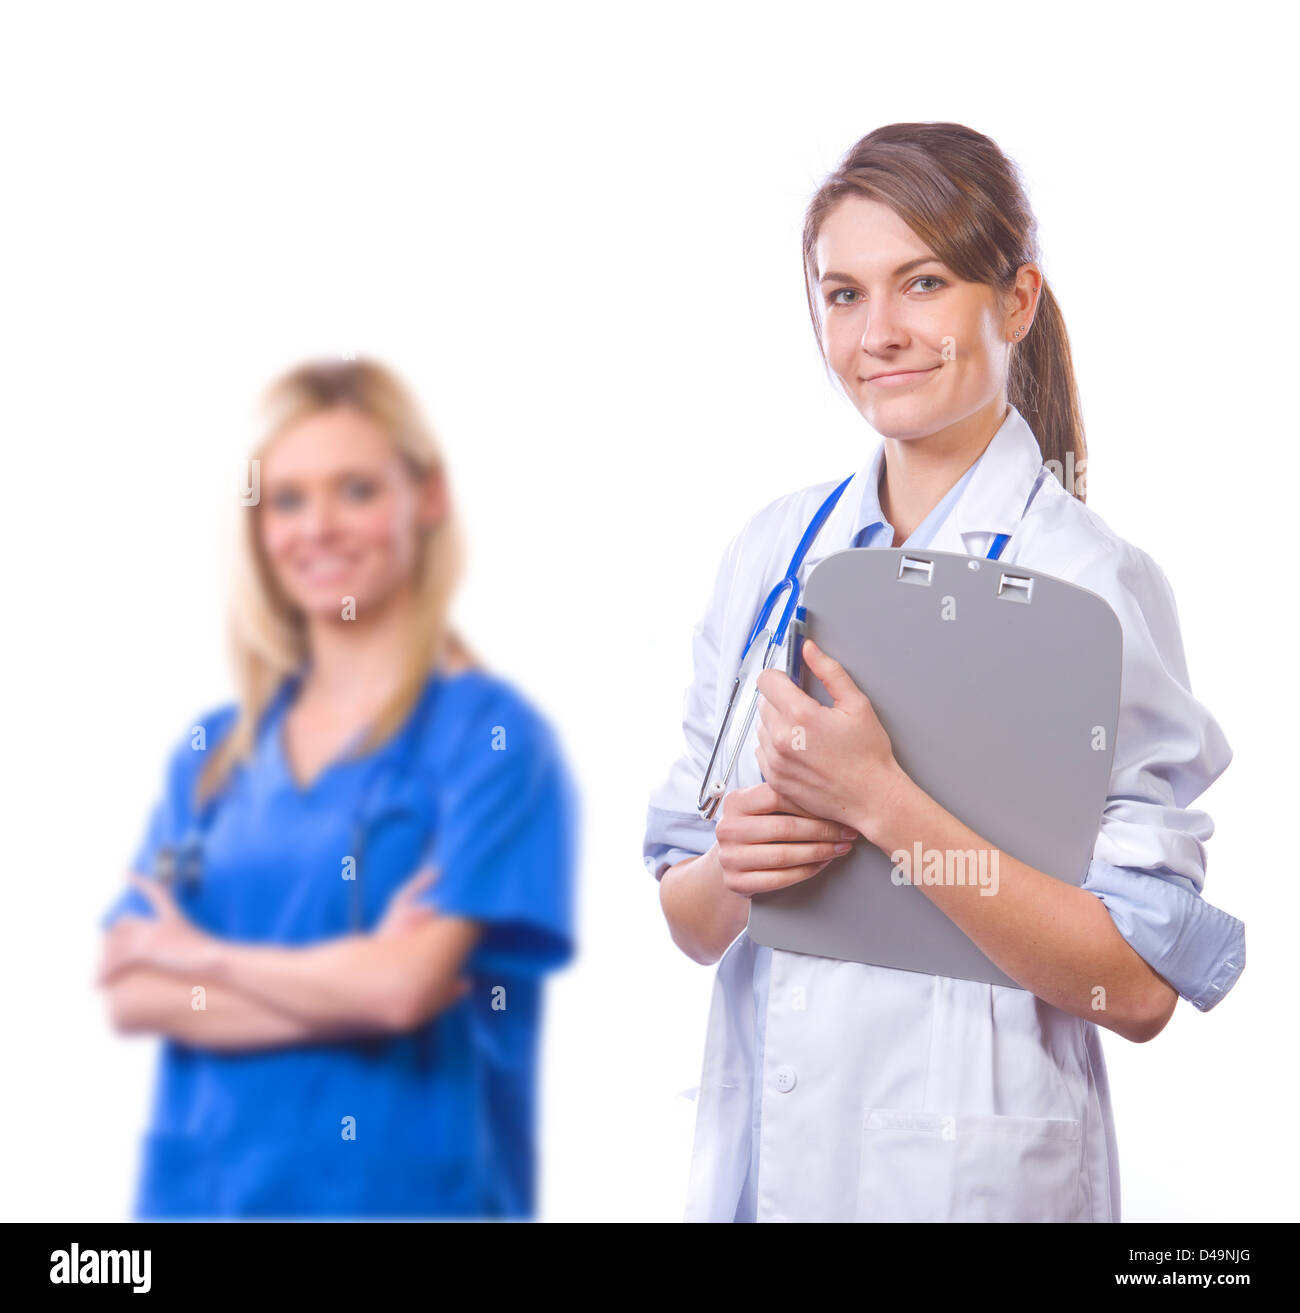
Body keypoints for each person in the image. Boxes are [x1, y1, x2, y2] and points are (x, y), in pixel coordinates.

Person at [643, 123, 1245, 1224]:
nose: (878, 333)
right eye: (842, 294)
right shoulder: (770, 553)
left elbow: (1138, 986)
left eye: (921, 282)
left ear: (1013, 302)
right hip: (765, 1169)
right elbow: (689, 918)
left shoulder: (1090, 585)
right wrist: (737, 861)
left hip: (971, 1175)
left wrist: (882, 802)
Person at [98, 357, 578, 1220]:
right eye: (286, 499)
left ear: (424, 498)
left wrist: (200, 958)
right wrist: (347, 985)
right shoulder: (212, 754)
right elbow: (130, 985)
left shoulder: (491, 744)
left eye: (354, 489)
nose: (316, 527)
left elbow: (402, 990)